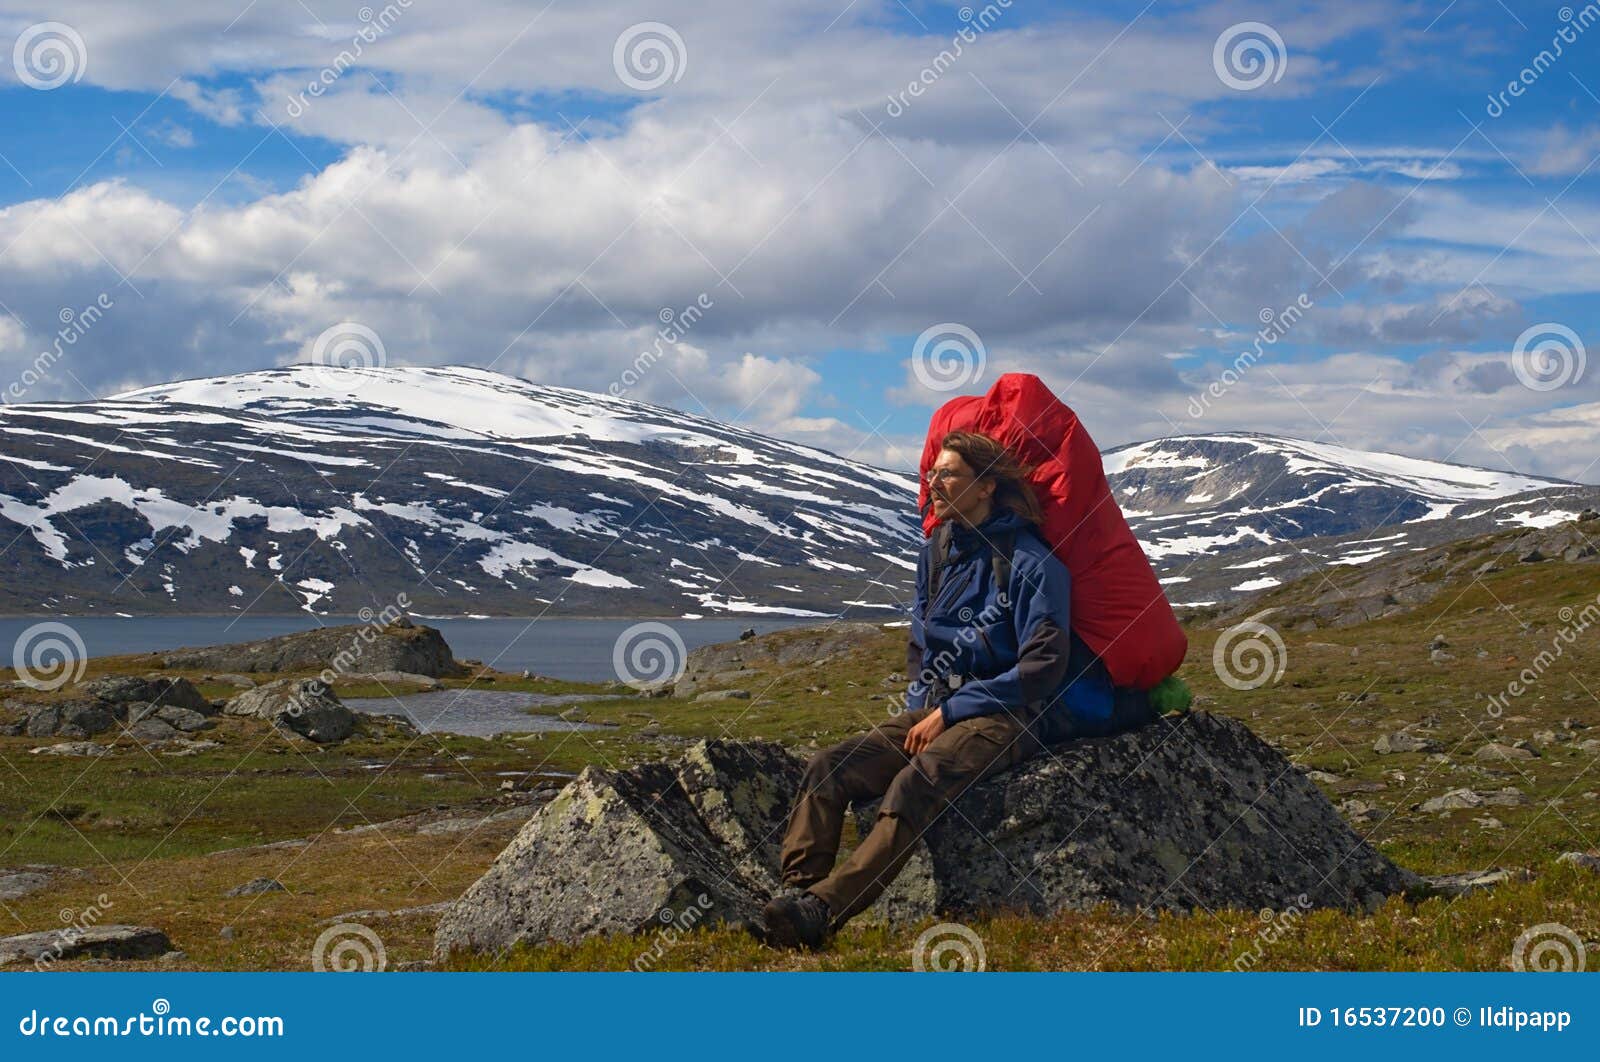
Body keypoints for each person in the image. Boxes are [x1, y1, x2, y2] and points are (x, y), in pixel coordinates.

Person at [760, 430, 1153, 949]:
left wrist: (951, 713)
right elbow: (921, 643)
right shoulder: (936, 551)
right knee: (829, 766)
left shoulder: (1033, 564)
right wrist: (919, 708)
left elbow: (1042, 667)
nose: (933, 484)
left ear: (987, 486)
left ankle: (825, 910)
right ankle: (798, 900)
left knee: (916, 781)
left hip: (1012, 711)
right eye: (932, 473)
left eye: (947, 474)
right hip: (941, 705)